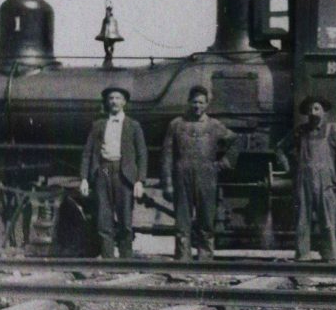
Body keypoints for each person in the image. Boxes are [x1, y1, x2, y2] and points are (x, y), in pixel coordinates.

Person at [162, 85, 239, 261]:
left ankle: (205, 258)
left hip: (207, 176)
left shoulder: (214, 125)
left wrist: (223, 164)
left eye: (201, 102)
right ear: (189, 102)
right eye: (194, 102)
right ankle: (183, 258)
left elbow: (235, 141)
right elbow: (167, 155)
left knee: (206, 219)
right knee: (182, 220)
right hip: (182, 176)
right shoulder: (176, 124)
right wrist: (167, 183)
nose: (197, 106)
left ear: (206, 104)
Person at [275, 95, 336, 262]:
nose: (313, 112)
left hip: (325, 183)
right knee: (302, 220)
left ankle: (329, 256)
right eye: (310, 109)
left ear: (324, 111)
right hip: (303, 182)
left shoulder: (334, 131)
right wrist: (288, 167)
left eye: (317, 108)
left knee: (327, 221)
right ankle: (303, 256)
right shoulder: (300, 131)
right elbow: (280, 148)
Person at [80, 86, 147, 258]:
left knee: (125, 220)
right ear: (107, 102)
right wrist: (84, 178)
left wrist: (140, 180)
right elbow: (87, 153)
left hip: (124, 174)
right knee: (104, 218)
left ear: (124, 102)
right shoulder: (98, 125)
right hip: (103, 171)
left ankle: (126, 260)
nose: (114, 101)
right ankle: (107, 259)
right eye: (111, 98)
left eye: (118, 98)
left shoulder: (133, 125)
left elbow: (142, 154)